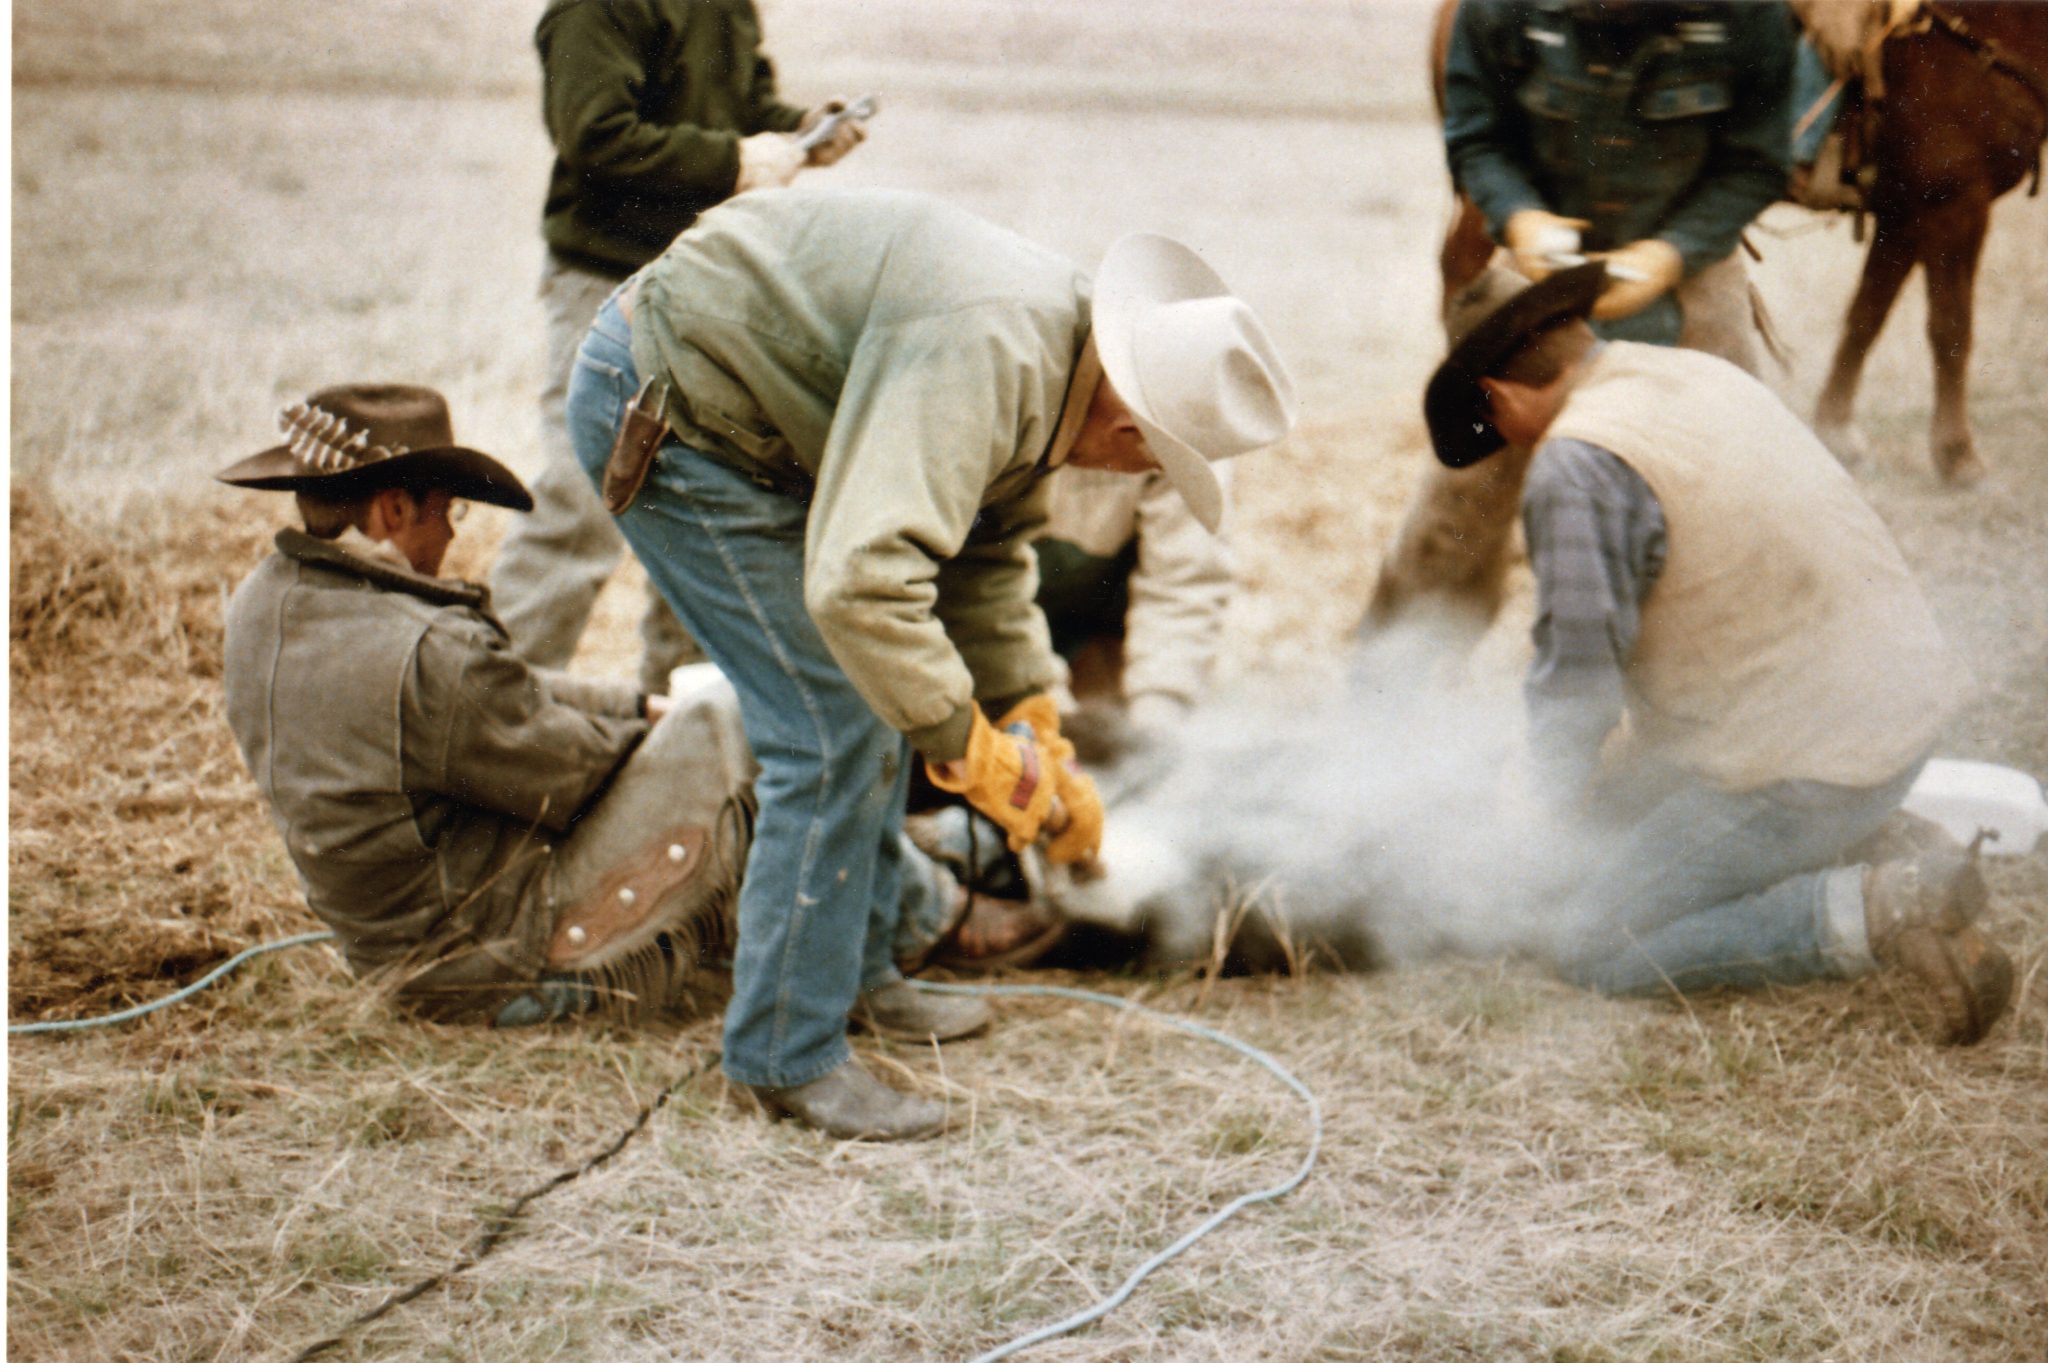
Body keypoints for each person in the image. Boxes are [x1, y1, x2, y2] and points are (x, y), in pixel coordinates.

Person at [570, 188, 1298, 1138]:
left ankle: (859, 969)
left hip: (755, 434)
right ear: (1131, 430)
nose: (1133, 481)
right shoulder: (993, 354)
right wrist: (967, 742)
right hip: (677, 413)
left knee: (870, 703)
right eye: (1151, 465)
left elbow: (990, 557)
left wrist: (1033, 715)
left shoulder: (1055, 367)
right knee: (830, 726)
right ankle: (787, 1053)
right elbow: (860, 584)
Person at [217, 385, 1021, 1030]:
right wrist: (676, 722)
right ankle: (926, 915)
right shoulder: (429, 655)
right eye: (446, 512)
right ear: (391, 510)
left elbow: (511, 702)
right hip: (498, 958)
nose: (452, 536)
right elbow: (566, 772)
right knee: (744, 720)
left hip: (410, 948)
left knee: (703, 718)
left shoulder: (269, 602)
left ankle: (927, 850)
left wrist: (641, 705)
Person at [1421, 264, 2014, 1044]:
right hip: (1895, 718)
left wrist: (1535, 830)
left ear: (1496, 397)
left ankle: (1879, 907)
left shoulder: (1577, 464)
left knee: (1593, 938)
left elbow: (1579, 688)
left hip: (1811, 765)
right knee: (1618, 823)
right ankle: (1872, 833)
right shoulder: (1686, 372)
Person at [488, 0, 868, 696]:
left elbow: (740, 105)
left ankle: (682, 734)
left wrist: (799, 131)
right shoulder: (595, 7)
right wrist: (735, 161)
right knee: (580, 505)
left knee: (701, 508)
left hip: (701, 290)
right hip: (604, 283)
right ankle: (483, 709)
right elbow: (597, 137)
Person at [1442, 0, 1796, 372]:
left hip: (1693, 265)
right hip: (1537, 264)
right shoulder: (1495, 8)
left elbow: (1757, 165)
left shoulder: (1750, 12)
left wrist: (1670, 256)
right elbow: (1477, 139)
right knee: (1491, 408)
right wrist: (1519, 217)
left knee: (1722, 414)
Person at [1034, 461, 1232, 734]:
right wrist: (1042, 710)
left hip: (1098, 624)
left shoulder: (1202, 436)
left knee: (1108, 740)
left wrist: (1156, 720)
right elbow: (985, 590)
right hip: (988, 625)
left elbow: (1183, 584)